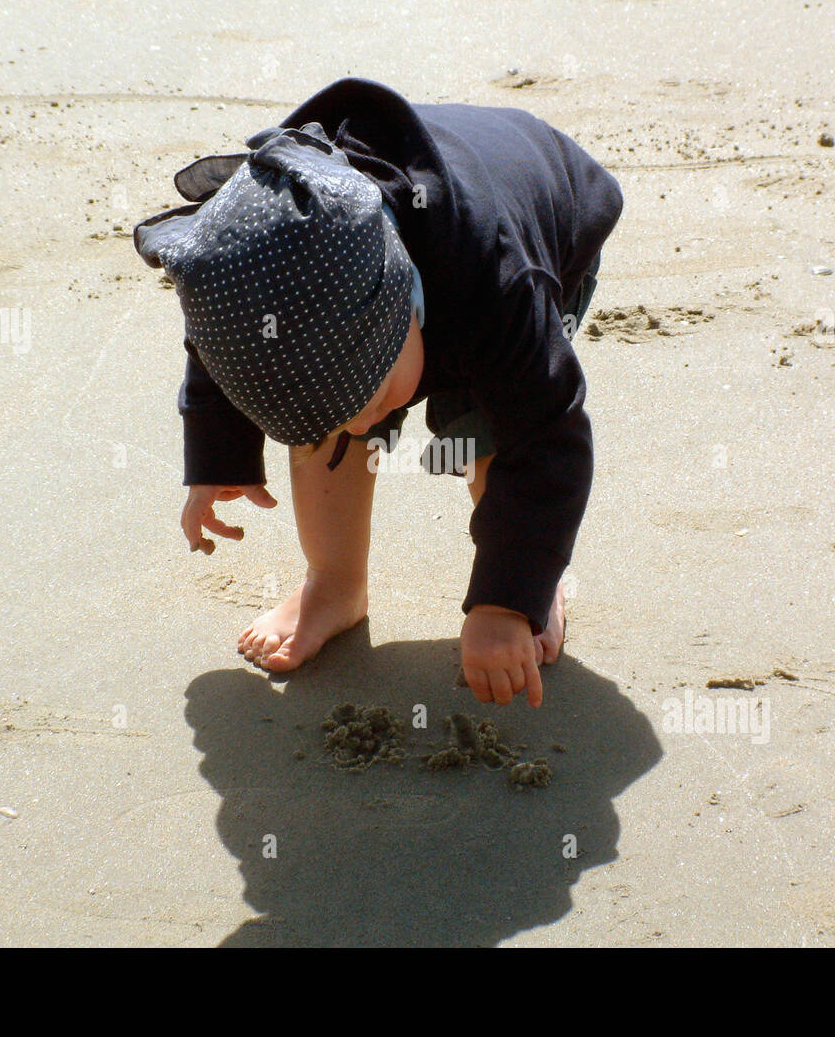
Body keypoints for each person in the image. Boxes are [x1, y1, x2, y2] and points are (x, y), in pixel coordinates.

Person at [133, 78, 622, 707]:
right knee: (323, 432)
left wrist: (507, 600)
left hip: (543, 216)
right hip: (386, 243)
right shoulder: (254, 261)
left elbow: (549, 440)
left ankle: (530, 590)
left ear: (407, 310)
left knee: (485, 431)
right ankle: (335, 587)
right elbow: (221, 343)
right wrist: (217, 458)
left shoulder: (502, 285)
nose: (366, 419)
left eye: (376, 390)